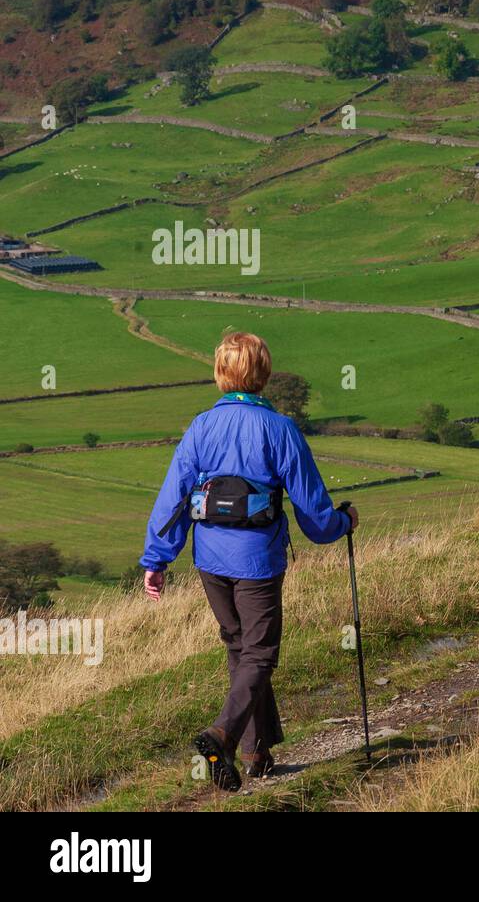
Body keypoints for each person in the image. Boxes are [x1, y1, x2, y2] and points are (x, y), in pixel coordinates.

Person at [140, 331, 358, 791]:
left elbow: (173, 500)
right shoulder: (280, 429)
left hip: (210, 559)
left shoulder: (201, 427)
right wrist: (344, 522)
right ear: (263, 374)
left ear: (221, 373)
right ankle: (223, 733)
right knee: (259, 654)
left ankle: (256, 752)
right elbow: (315, 516)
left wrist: (156, 560)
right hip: (257, 560)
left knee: (241, 650)